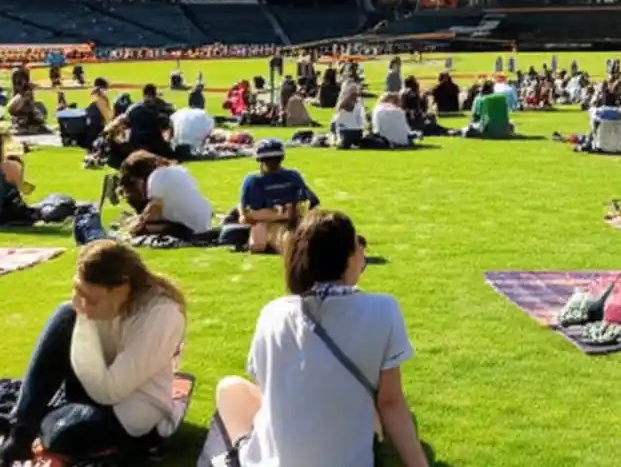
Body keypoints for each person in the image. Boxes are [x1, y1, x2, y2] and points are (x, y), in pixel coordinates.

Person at [216, 210, 426, 466]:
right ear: (350, 257)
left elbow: (267, 385)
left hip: (276, 459)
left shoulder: (273, 313)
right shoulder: (383, 309)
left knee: (230, 389)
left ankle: (240, 454)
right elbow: (391, 403)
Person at [0, 240, 186, 467]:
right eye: (78, 291)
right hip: (86, 389)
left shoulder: (162, 315)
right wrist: (79, 316)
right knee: (64, 315)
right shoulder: (97, 304)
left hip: (130, 408)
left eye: (91, 300)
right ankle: (18, 436)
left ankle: (38, 417)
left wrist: (84, 323)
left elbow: (109, 392)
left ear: (121, 288)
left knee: (66, 435)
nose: (81, 304)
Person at [240, 139, 320, 254]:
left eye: (275, 160)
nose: (272, 163)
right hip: (267, 223)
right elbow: (249, 214)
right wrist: (281, 214)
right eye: (268, 160)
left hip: (292, 221)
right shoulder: (254, 181)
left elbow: (307, 203)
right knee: (258, 243)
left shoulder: (293, 176)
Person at [118, 151, 212, 238]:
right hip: (203, 220)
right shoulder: (179, 170)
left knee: (142, 228)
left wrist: (136, 224)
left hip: (189, 228)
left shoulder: (156, 178)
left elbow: (153, 211)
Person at [117, 85, 174, 158]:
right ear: (155, 95)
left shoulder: (133, 108)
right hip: (155, 145)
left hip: (135, 144)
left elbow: (124, 124)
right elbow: (170, 123)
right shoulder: (163, 107)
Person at [333, 84, 368, 148]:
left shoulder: (341, 106)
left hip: (344, 132)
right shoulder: (359, 105)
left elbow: (336, 123)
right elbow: (362, 122)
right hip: (355, 133)